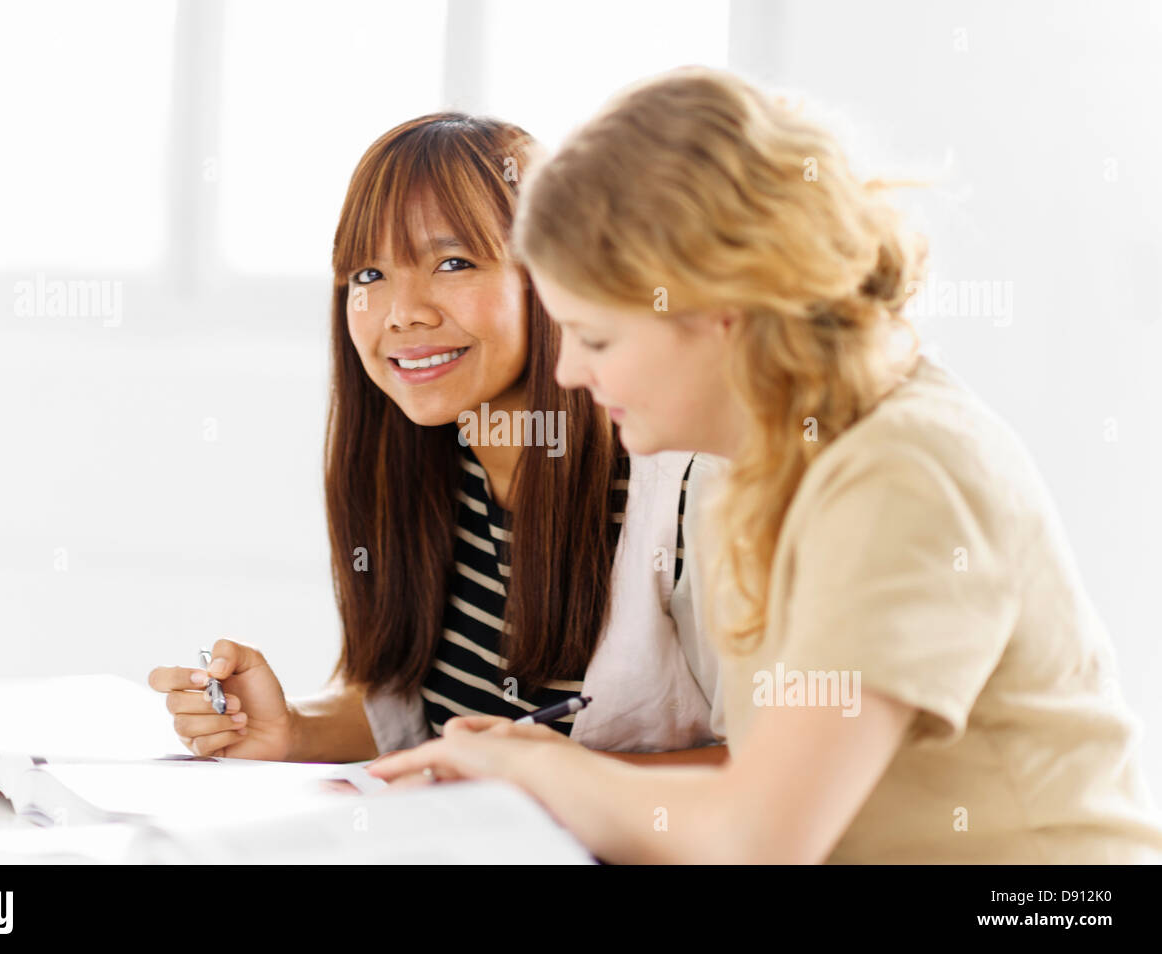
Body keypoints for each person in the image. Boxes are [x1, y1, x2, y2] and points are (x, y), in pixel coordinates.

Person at [368, 69, 1162, 863]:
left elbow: (756, 840)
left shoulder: (903, 472)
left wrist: (530, 767)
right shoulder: (770, 464)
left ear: (724, 312)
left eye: (598, 338)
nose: (568, 371)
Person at [147, 113, 729, 769]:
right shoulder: (424, 463)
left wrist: (550, 779)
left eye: (452, 263)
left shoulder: (691, 490)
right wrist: (290, 732)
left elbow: (785, 789)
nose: (403, 312)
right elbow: (419, 721)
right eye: (369, 274)